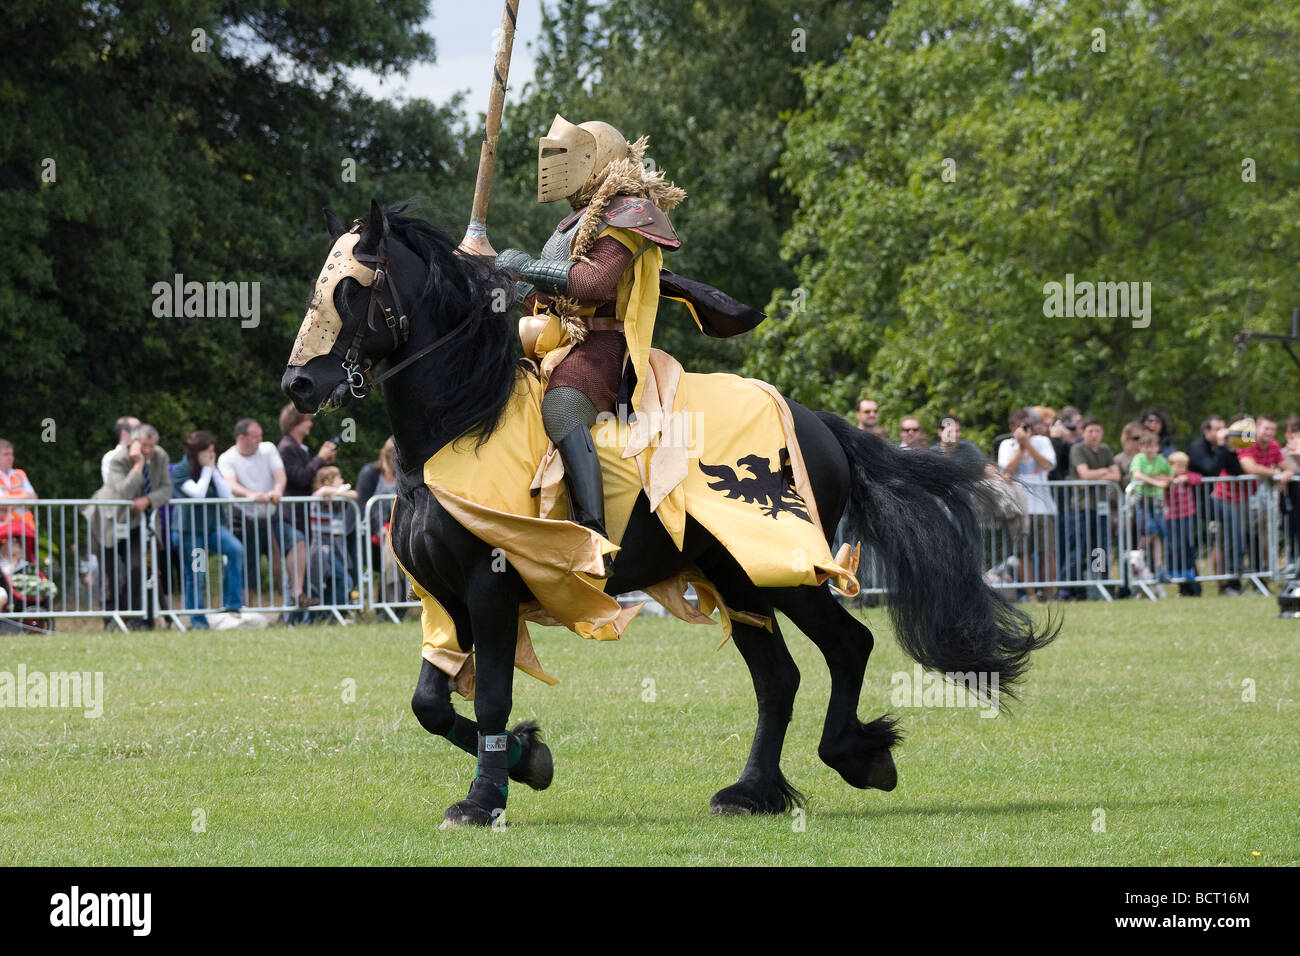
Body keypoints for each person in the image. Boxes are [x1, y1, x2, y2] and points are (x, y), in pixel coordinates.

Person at [493, 115, 690, 569]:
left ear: (596, 158)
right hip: (563, 341)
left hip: (603, 349)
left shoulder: (629, 213)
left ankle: (594, 535)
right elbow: (552, 298)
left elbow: (594, 283)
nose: (552, 165)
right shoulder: (572, 223)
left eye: (564, 155)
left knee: (562, 407)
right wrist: (502, 281)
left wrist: (521, 263)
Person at [218, 418, 309, 610]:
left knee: (297, 540)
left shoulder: (268, 449)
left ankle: (297, 593)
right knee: (245, 564)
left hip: (271, 515)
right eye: (255, 436)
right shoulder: (227, 458)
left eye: (260, 436)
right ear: (242, 438)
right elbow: (230, 484)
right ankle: (243, 609)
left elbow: (279, 475)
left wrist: (277, 490)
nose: (260, 440)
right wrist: (251, 495)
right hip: (244, 517)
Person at [169, 430, 251, 630]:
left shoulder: (212, 469)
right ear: (197, 452)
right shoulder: (181, 470)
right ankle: (198, 620)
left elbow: (225, 495)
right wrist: (207, 471)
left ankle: (232, 605)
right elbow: (197, 494)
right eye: (208, 451)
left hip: (213, 527)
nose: (212, 455)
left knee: (235, 550)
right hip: (190, 531)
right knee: (197, 572)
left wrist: (213, 471)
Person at [102, 424, 172, 629]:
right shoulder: (119, 459)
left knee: (139, 567)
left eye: (152, 446)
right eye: (143, 446)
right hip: (109, 522)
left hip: (139, 523)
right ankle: (111, 621)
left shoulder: (161, 456)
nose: (148, 451)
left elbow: (167, 489)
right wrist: (138, 464)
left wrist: (148, 500)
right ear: (133, 442)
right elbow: (123, 493)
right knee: (112, 572)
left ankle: (135, 618)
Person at [998, 408, 1057, 601]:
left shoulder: (1043, 442)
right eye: (1020, 425)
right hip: (1019, 507)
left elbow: (1047, 465)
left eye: (1028, 425)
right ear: (1012, 427)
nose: (1025, 429)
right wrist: (1021, 448)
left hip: (1042, 506)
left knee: (1047, 552)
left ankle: (1048, 594)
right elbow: (1007, 470)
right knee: (1023, 554)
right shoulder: (1006, 445)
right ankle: (1031, 595)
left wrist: (1028, 445)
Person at [1065, 417, 1119, 594]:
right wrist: (1105, 472)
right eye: (1090, 431)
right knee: (1079, 547)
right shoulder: (1077, 449)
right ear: (1083, 432)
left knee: (1100, 548)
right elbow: (1084, 474)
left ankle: (1101, 584)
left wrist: (1094, 476)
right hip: (1082, 507)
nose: (1094, 435)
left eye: (1097, 431)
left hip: (1101, 506)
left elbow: (1116, 475)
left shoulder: (1105, 450)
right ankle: (1072, 587)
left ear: (1101, 432)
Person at [357, 437, 401, 603]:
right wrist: (378, 529)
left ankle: (395, 604)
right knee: (389, 557)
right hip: (371, 533)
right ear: (388, 455)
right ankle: (390, 604)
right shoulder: (370, 473)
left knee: (394, 556)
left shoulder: (403, 475)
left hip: (397, 530)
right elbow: (362, 505)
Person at [307, 466, 357, 610]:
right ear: (328, 481)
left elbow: (355, 494)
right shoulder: (319, 497)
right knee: (343, 580)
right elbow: (322, 492)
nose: (342, 480)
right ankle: (332, 614)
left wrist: (339, 494)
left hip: (335, 547)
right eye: (338, 478)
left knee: (338, 581)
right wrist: (339, 492)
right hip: (322, 547)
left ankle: (330, 613)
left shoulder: (337, 499)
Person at [1126, 430, 1172, 582]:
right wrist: (1157, 481)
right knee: (1148, 530)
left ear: (1157, 447)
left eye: (1153, 446)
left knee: (1159, 532)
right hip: (1142, 499)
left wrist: (1155, 479)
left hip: (1157, 500)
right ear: (1141, 447)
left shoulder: (1160, 460)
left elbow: (1170, 475)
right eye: (1146, 446)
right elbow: (1137, 475)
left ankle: (1159, 568)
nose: (1150, 449)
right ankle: (1139, 562)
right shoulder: (1138, 458)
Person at [1164, 451, 1203, 595]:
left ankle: (1188, 570)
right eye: (1178, 466)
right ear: (1171, 466)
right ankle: (1174, 570)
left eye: (1183, 466)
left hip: (1186, 515)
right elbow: (1162, 484)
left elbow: (1198, 478)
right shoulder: (1168, 478)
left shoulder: (1186, 476)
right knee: (1174, 545)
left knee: (1188, 544)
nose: (1181, 469)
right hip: (1171, 516)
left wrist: (1186, 477)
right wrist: (1171, 480)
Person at [0, 439, 38, 535]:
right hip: (3, 529)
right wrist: (23, 499)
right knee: (14, 550)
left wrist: (7, 502)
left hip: (25, 528)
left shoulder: (20, 474)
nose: (10, 458)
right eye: (6, 454)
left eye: (11, 454)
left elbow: (33, 498)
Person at [101, 415, 140, 484]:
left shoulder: (148, 453)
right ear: (124, 434)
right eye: (137, 430)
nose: (142, 433)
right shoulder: (111, 457)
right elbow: (118, 489)